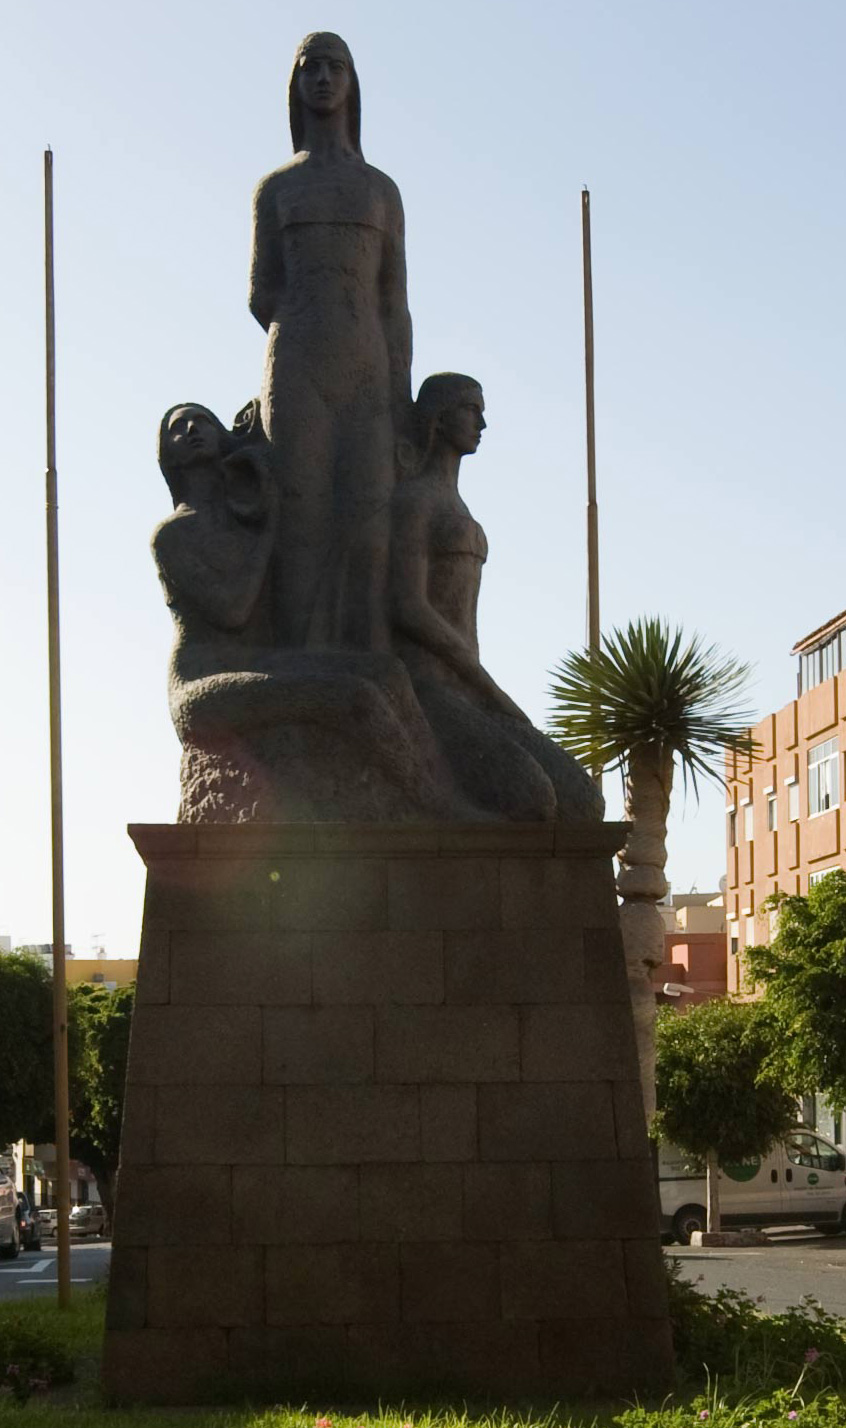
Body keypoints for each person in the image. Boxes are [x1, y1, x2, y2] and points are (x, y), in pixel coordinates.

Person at [250, 32, 412, 652]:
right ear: (294, 85)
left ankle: (370, 677)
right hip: (298, 369)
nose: (321, 79)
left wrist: (399, 393)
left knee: (371, 523)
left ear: (352, 84)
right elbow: (262, 292)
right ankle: (300, 677)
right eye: (309, 68)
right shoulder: (277, 188)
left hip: (369, 372)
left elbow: (394, 302)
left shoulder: (380, 190)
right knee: (302, 519)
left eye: (334, 68)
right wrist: (311, 327)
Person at [391, 374, 603, 822]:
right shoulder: (415, 501)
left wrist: (483, 688)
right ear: (441, 416)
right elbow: (408, 607)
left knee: (584, 801)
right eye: (472, 409)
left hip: (471, 687)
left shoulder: (457, 504)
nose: (482, 423)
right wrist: (485, 683)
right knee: (531, 798)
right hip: (430, 685)